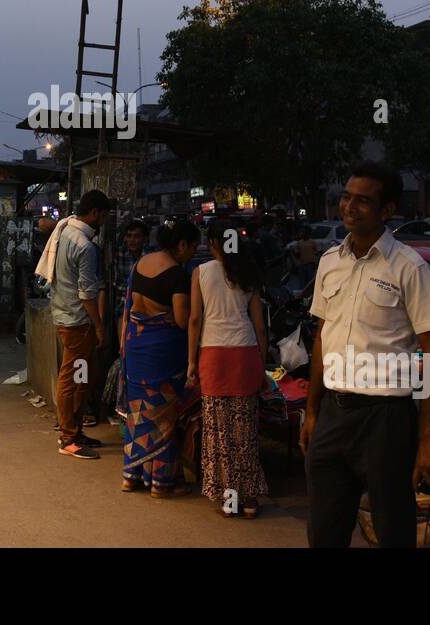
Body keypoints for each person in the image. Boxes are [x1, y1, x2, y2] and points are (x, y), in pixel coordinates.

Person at [299, 161, 430, 548]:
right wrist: (313, 411)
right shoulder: (329, 263)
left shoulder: (409, 267)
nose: (349, 206)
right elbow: (321, 337)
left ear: (387, 210)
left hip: (386, 419)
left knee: (393, 530)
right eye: (346, 197)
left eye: (362, 201)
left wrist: (428, 435)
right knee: (324, 531)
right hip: (333, 413)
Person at [187, 218, 268, 517]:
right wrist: (261, 361)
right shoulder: (248, 273)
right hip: (245, 353)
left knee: (220, 431)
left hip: (214, 355)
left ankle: (229, 497)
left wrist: (191, 361)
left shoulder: (201, 272)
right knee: (245, 429)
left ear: (212, 244)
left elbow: (195, 320)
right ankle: (249, 499)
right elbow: (260, 326)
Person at [120, 219, 199, 494]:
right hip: (163, 353)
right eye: (193, 246)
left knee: (138, 412)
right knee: (164, 416)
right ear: (181, 245)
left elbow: (129, 306)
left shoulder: (140, 264)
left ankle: (132, 475)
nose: (194, 251)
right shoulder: (177, 275)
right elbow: (181, 320)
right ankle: (161, 482)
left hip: (135, 349)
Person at [37, 189, 110, 460]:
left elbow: (45, 224)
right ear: (94, 214)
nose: (103, 222)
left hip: (66, 316)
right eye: (103, 216)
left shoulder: (65, 228)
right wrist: (100, 326)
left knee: (80, 377)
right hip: (78, 321)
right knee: (73, 377)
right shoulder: (84, 245)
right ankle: (68, 436)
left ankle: (74, 430)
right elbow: (87, 294)